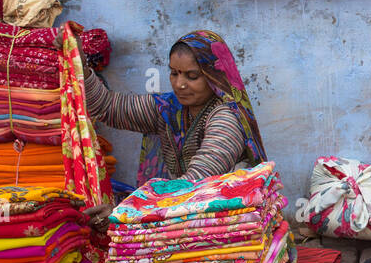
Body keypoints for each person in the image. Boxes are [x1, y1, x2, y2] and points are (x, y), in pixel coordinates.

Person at [84, 29, 266, 187]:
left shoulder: (226, 118)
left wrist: (146, 205)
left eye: (192, 76)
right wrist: (81, 65)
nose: (179, 84)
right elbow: (107, 107)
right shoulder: (167, 109)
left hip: (223, 212)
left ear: (214, 77)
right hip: (183, 203)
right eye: (174, 73)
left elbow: (199, 178)